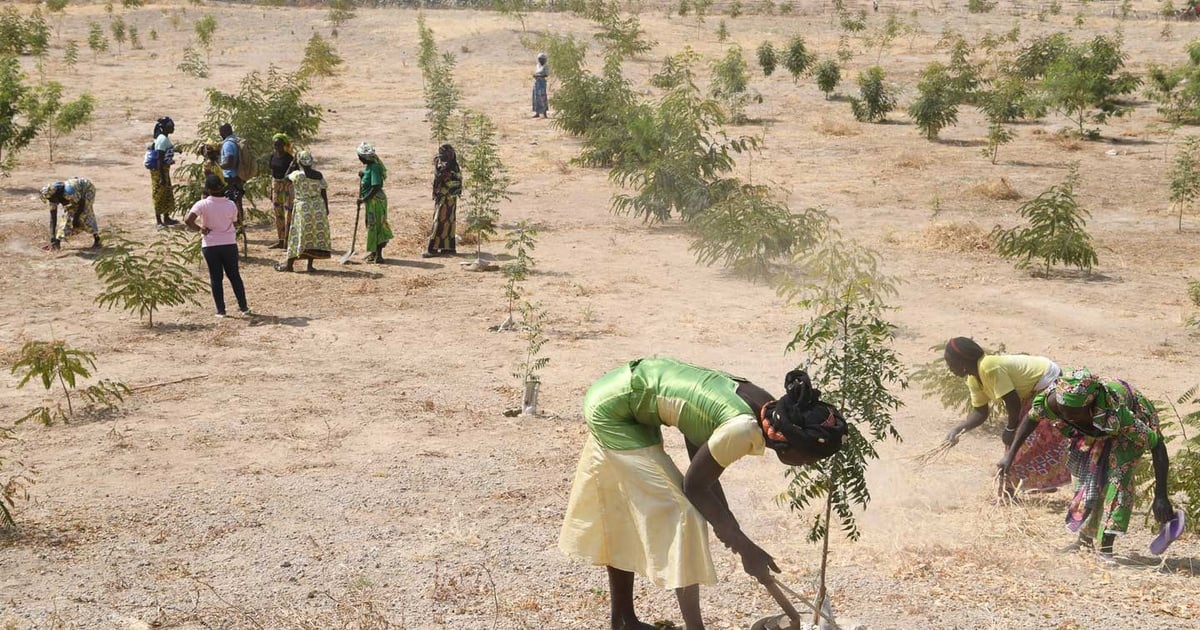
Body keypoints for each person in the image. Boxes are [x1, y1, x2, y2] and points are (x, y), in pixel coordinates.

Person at [559, 357, 837, 630]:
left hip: (626, 394)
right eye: (811, 457)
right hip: (616, 409)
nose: (809, 464)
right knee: (686, 517)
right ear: (790, 441)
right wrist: (744, 546)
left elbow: (702, 457)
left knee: (623, 509)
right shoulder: (742, 428)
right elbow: (694, 487)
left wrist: (733, 533)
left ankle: (623, 621)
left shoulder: (765, 406)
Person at [999, 367, 1175, 561]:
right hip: (1095, 427)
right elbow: (1031, 420)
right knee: (1087, 477)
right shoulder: (1053, 401)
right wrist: (1011, 456)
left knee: (1118, 479)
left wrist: (1161, 497)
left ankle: (1106, 549)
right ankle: (1084, 541)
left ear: (1090, 407)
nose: (1068, 417)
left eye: (1075, 413)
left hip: (1126, 422)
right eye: (1063, 412)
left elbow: (1158, 445)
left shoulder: (1116, 414)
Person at [943, 337, 1070, 495]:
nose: (949, 367)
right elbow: (980, 412)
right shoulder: (973, 379)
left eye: (950, 362)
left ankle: (1015, 489)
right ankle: (1025, 485)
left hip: (1047, 379)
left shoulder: (988, 366)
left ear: (962, 360)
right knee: (1019, 439)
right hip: (1030, 391)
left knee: (1022, 437)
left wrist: (1010, 428)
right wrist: (959, 429)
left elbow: (1013, 402)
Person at [185, 174, 251, 318]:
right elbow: (236, 222)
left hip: (210, 245)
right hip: (229, 244)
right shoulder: (231, 204)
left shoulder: (202, 204)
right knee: (234, 276)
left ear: (208, 189)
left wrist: (201, 229)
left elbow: (188, 220)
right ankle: (244, 307)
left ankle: (221, 311)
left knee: (216, 278)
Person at [276, 150, 331, 273]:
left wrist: (292, 164)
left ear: (299, 161)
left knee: (297, 235)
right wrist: (326, 208)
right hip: (318, 207)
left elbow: (284, 178)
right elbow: (323, 192)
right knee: (312, 235)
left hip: (303, 208)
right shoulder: (318, 175)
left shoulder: (297, 175)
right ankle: (310, 265)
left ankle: (289, 265)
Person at [356, 142, 393, 264]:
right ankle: (373, 253)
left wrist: (364, 199)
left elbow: (376, 186)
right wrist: (363, 174)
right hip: (372, 201)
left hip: (376, 201)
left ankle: (379, 255)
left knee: (377, 226)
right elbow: (369, 178)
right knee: (372, 225)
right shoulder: (369, 167)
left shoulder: (374, 167)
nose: (359, 158)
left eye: (360, 156)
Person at [41, 178, 101, 251]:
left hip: (87, 190)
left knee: (86, 213)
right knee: (66, 216)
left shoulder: (69, 192)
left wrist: (76, 218)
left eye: (51, 199)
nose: (51, 201)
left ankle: (98, 239)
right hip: (77, 196)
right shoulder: (53, 197)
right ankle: (57, 243)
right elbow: (52, 219)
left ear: (56, 195)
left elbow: (82, 202)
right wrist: (52, 238)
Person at [423, 144, 461, 258]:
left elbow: (440, 176)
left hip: (446, 197)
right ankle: (448, 247)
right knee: (448, 222)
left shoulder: (449, 167)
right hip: (449, 198)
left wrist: (436, 165)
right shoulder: (453, 165)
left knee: (439, 221)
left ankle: (433, 249)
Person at [267, 133, 297, 249]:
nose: (277, 147)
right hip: (276, 185)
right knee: (278, 213)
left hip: (287, 186)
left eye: (279, 145)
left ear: (284, 145)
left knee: (289, 213)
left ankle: (287, 240)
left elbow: (295, 175)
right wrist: (271, 190)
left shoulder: (290, 159)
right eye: (275, 145)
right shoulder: (272, 156)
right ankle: (281, 239)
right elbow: (272, 173)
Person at [150, 116, 178, 228]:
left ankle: (166, 217)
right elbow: (159, 160)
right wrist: (161, 177)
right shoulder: (162, 139)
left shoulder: (164, 138)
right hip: (159, 171)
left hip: (164, 170)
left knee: (167, 193)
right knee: (159, 194)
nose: (173, 128)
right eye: (171, 126)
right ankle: (159, 221)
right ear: (164, 127)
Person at [218, 123, 245, 231]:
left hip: (230, 177)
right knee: (238, 202)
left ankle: (235, 226)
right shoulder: (235, 140)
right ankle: (239, 225)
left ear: (224, 132)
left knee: (232, 203)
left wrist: (217, 167)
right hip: (237, 176)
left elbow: (229, 162)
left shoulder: (228, 144)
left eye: (220, 132)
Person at [532, 52, 549, 118]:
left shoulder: (546, 66)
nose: (541, 60)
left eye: (542, 59)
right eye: (540, 59)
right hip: (536, 83)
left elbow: (546, 74)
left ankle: (544, 113)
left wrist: (539, 75)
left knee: (542, 97)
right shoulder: (537, 65)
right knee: (536, 97)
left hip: (542, 83)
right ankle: (537, 113)